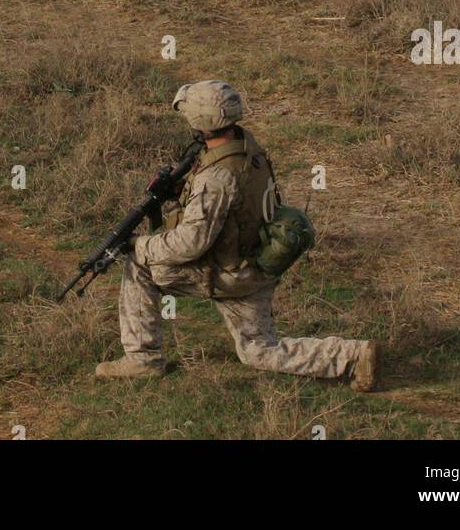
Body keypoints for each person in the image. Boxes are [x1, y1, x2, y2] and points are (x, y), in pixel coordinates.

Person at [95, 80, 380, 387]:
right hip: (257, 261)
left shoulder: (216, 178)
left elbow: (191, 243)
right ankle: (352, 356)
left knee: (140, 267)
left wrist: (141, 245)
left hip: (231, 272)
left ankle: (142, 360)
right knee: (259, 350)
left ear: (201, 121)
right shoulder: (246, 146)